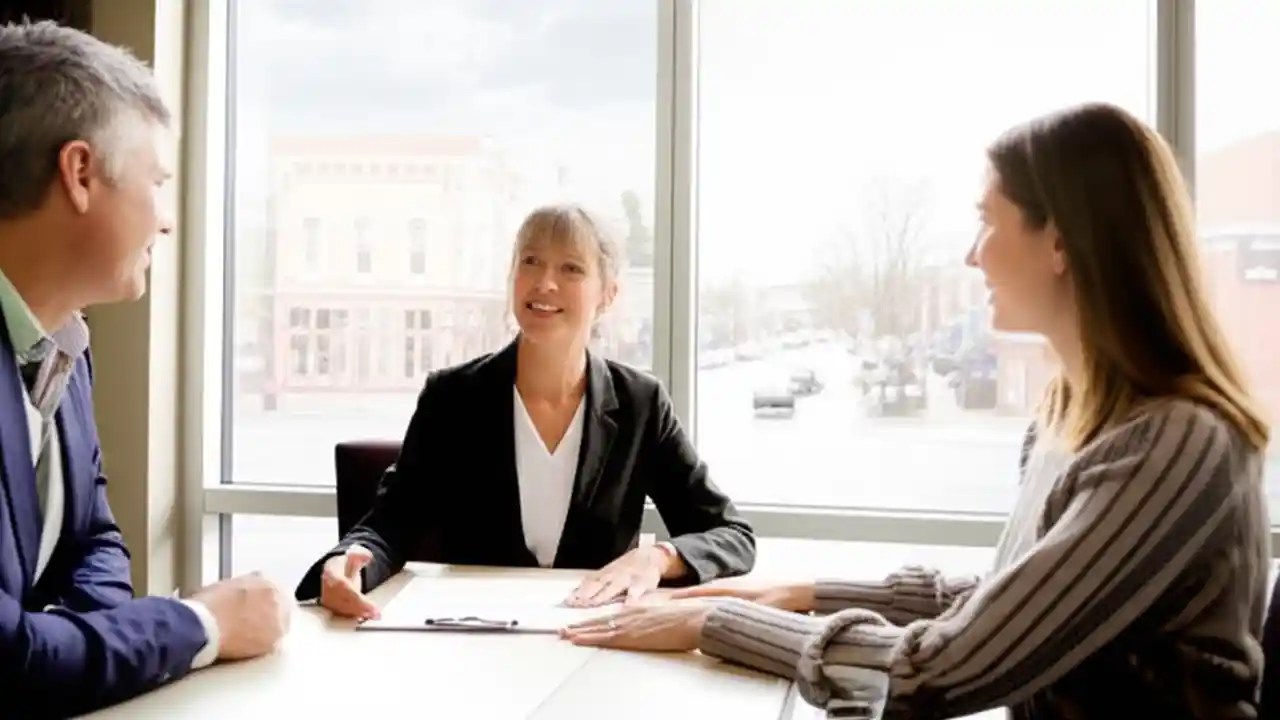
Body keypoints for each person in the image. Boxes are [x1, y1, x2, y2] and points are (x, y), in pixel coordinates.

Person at [560, 103, 1273, 719]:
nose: (972, 256)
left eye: (988, 222)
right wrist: (794, 592)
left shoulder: (1180, 445)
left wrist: (721, 621)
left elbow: (941, 670)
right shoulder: (1069, 419)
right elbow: (1007, 598)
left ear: (1060, 241)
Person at [0, 20, 290, 717]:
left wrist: (85, 654)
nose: (165, 219)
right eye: (156, 181)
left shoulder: (66, 343)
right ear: (79, 173)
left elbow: (92, 540)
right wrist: (204, 624)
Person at [296, 204, 756, 617]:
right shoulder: (452, 397)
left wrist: (657, 558)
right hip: (471, 642)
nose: (544, 283)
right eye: (530, 261)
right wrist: (345, 562)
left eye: (571, 268)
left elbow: (731, 534)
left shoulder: (641, 403)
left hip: (594, 643)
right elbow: (391, 523)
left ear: (607, 295)